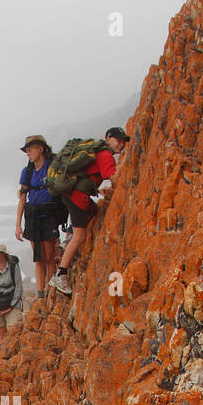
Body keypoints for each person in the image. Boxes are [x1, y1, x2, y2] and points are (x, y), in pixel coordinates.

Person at [49, 127, 130, 296]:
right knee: (81, 236)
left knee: (94, 211)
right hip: (78, 196)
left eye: (123, 142)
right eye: (118, 140)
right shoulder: (106, 154)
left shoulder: (97, 152)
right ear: (108, 138)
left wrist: (99, 190)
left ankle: (68, 240)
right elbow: (114, 178)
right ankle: (61, 274)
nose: (121, 145)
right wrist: (125, 165)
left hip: (71, 193)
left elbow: (89, 175)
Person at [15, 136, 66, 296]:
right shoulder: (27, 172)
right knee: (38, 258)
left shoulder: (51, 167)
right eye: (27, 150)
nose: (28, 153)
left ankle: (51, 290)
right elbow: (23, 198)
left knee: (50, 257)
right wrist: (18, 225)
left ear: (41, 149)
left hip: (48, 216)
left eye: (31, 149)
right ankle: (40, 294)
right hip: (32, 217)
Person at [0, 243, 24, 338]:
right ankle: (5, 352)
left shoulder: (14, 267)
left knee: (14, 334)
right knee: (3, 337)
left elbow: (19, 288)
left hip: (12, 305)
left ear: (3, 254)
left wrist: (10, 307)